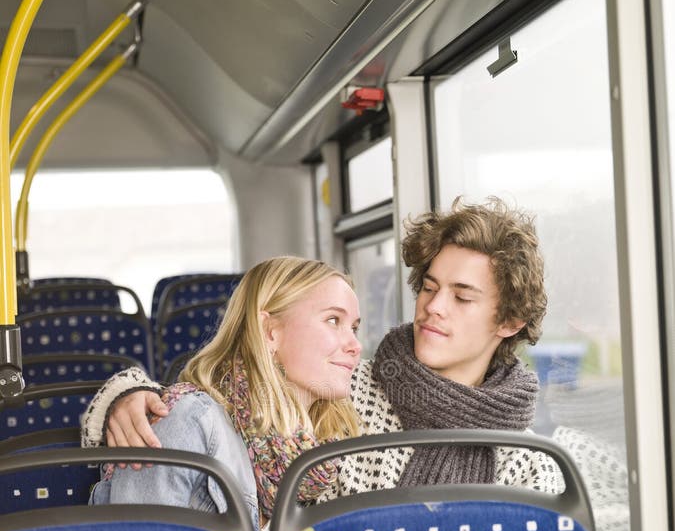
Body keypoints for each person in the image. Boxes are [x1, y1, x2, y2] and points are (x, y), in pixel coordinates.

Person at [83, 196, 561, 511]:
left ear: (509, 322)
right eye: (430, 288)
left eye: (462, 296)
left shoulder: (528, 463)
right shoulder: (343, 384)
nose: (433, 308)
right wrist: (126, 396)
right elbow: (214, 404)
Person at [87, 257, 363, 531]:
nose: (355, 345)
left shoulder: (319, 443)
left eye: (355, 328)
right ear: (270, 331)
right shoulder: (187, 420)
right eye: (333, 320)